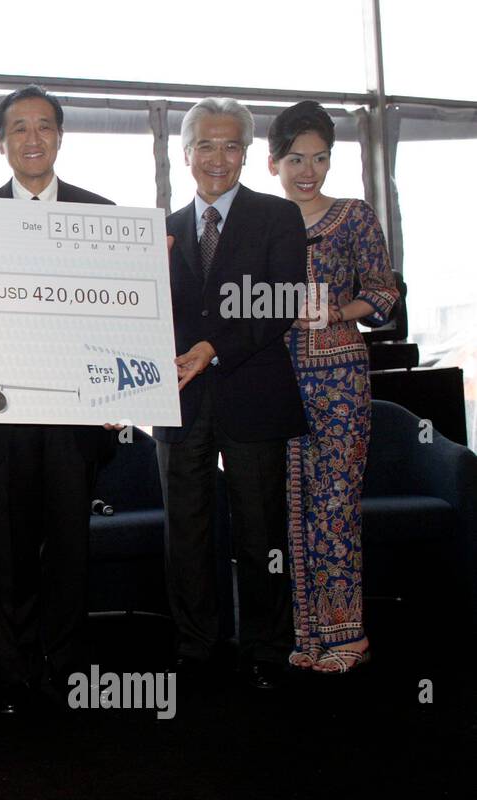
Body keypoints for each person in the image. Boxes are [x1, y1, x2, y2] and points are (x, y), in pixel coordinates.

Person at [0, 86, 116, 716]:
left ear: (60, 137)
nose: (33, 139)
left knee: (69, 553)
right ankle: (13, 676)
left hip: (75, 420)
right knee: (4, 556)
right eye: (19, 129)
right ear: (1, 143)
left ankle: (68, 669)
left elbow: (123, 319)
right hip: (0, 420)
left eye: (45, 127)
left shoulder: (105, 217)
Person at [157, 98, 308, 691]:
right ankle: (197, 645)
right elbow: (143, 315)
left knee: (260, 531)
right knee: (185, 531)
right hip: (178, 399)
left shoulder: (277, 218)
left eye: (230, 146)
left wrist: (212, 347)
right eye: (205, 146)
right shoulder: (161, 232)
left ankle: (267, 649)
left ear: (246, 154)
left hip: (253, 392)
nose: (217, 158)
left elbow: (281, 303)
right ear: (186, 154)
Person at [267, 100, 398, 674]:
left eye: (319, 159)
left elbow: (386, 293)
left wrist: (339, 311)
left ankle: (350, 633)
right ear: (273, 163)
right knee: (289, 507)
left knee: (336, 504)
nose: (308, 171)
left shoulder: (355, 215)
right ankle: (306, 634)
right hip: (273, 377)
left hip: (341, 378)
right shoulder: (262, 221)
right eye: (296, 158)